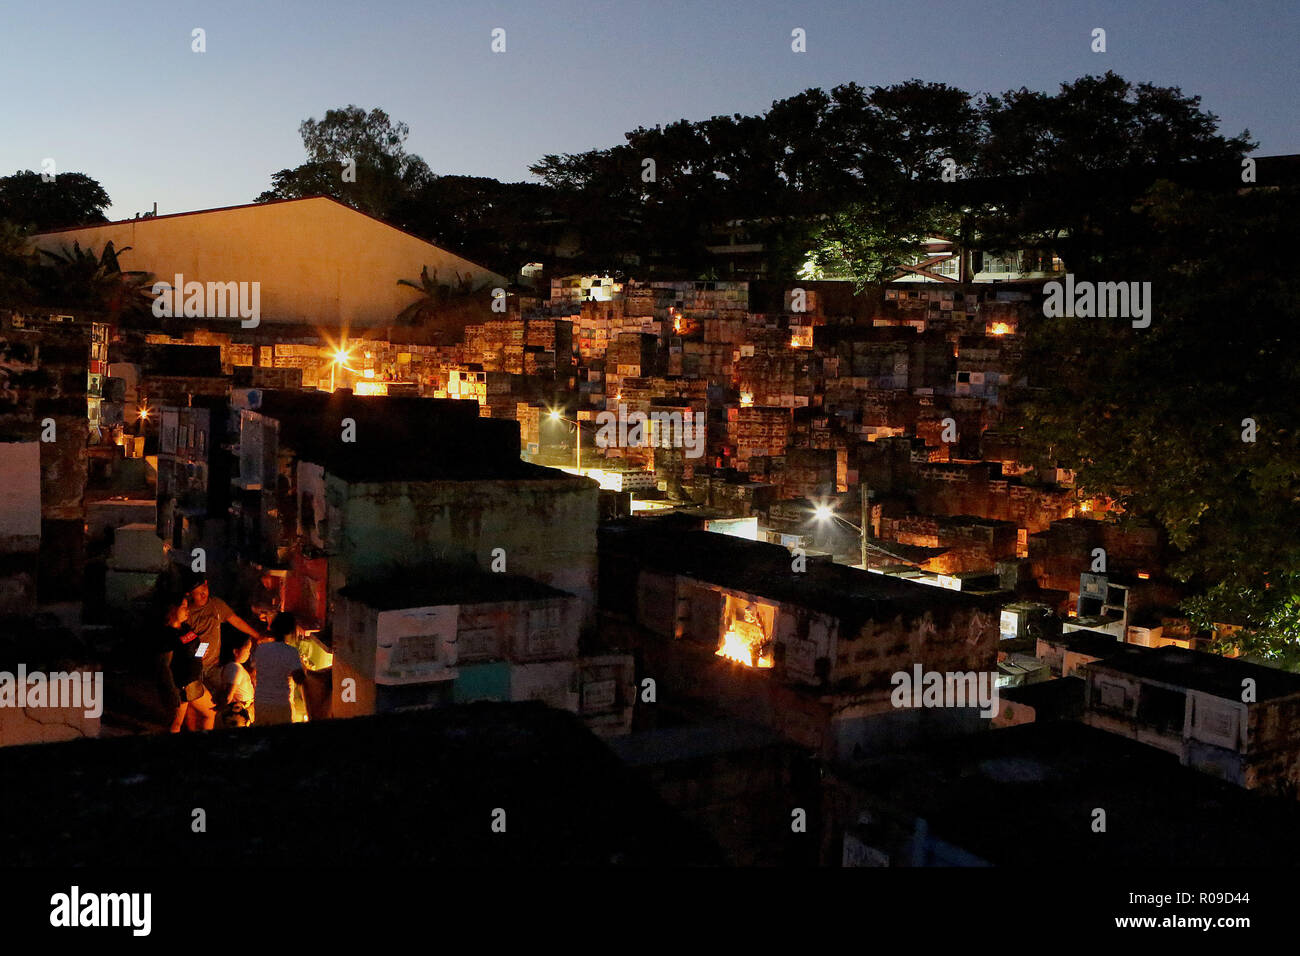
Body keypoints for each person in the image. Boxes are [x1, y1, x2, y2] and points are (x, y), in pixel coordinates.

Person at [183, 571, 270, 697]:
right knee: (198, 701)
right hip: (195, 667)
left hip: (213, 666)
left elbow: (236, 621)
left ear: (207, 584)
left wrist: (257, 636)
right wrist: (194, 654)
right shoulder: (188, 613)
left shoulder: (216, 605)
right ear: (189, 594)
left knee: (220, 696)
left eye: (204, 589)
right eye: (198, 593)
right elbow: (183, 639)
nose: (203, 594)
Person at [155, 590, 216, 732]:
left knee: (194, 718)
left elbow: (190, 649)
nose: (187, 609)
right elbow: (164, 666)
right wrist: (172, 691)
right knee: (177, 724)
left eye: (187, 606)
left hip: (193, 682)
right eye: (183, 606)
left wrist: (200, 654)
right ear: (172, 609)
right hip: (181, 686)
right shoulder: (167, 636)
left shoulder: (186, 627)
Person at [254, 612, 301, 726]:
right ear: (291, 631)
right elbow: (299, 679)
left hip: (260, 702)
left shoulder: (261, 648)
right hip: (280, 704)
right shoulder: (291, 652)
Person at [219, 634, 256, 728]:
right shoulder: (235, 668)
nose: (249, 653)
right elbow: (229, 694)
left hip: (244, 708)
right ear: (236, 651)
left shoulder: (233, 667)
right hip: (239, 712)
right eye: (247, 650)